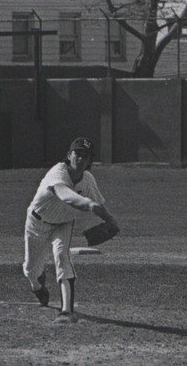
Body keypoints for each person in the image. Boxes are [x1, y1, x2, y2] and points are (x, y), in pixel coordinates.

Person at [22, 136, 119, 324]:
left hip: (64, 223)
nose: (81, 159)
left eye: (86, 156)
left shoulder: (88, 180)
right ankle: (37, 285)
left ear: (91, 161)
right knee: (30, 269)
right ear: (69, 155)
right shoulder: (57, 173)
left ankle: (66, 311)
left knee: (61, 256)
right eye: (78, 154)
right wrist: (88, 204)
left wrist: (111, 220)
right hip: (37, 223)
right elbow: (65, 195)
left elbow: (99, 204)